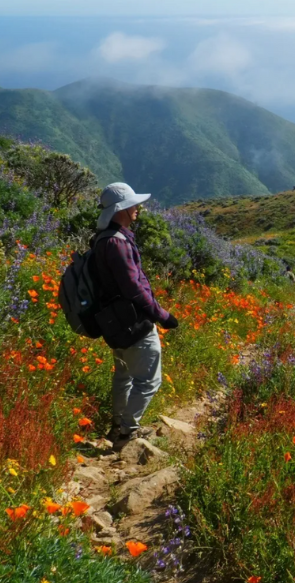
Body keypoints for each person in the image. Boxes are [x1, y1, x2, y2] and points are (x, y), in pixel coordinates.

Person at [92, 182, 180, 449]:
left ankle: (117, 424)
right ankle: (127, 432)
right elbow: (134, 288)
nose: (138, 208)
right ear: (121, 209)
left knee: (123, 375)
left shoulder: (101, 239)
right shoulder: (117, 244)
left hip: (113, 323)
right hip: (133, 324)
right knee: (149, 381)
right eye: (133, 204)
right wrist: (162, 315)